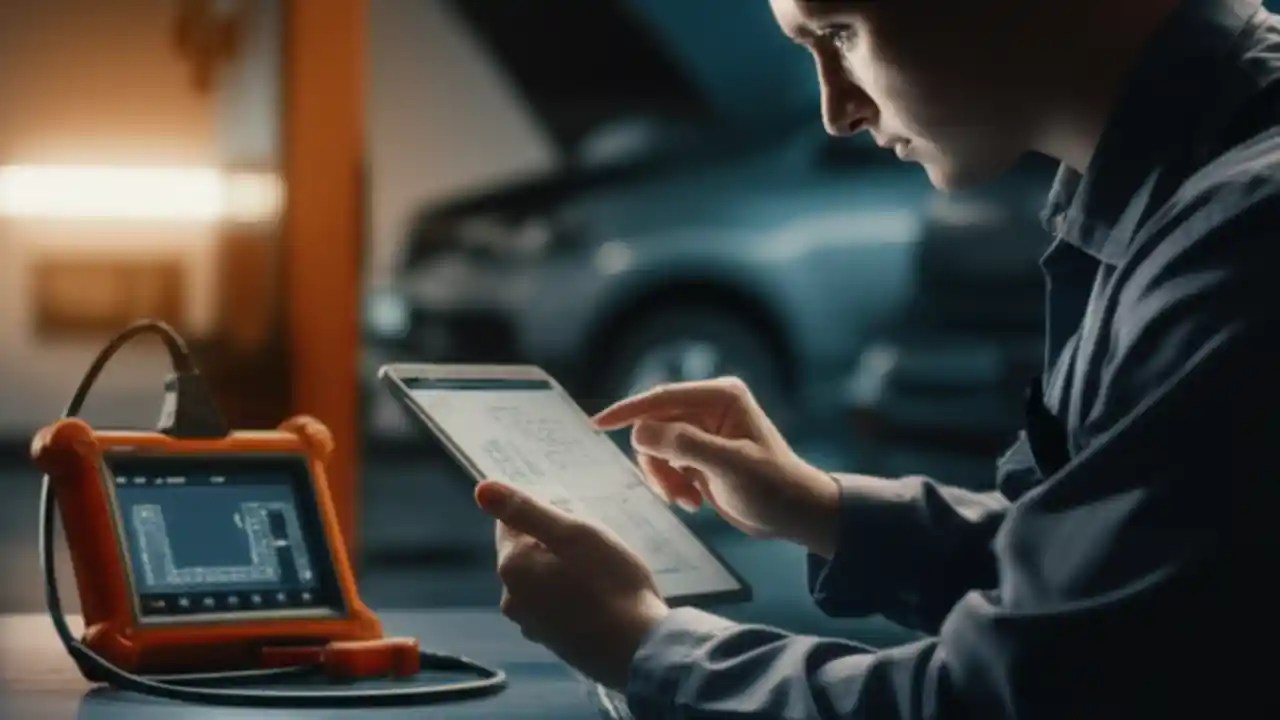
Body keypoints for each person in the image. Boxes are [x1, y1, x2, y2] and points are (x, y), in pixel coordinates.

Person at [472, 0, 1274, 717]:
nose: (836, 111)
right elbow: (1122, 584)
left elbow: (1028, 691)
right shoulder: (1182, 189)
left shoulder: (1243, 240)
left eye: (839, 33)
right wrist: (819, 508)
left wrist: (647, 649)